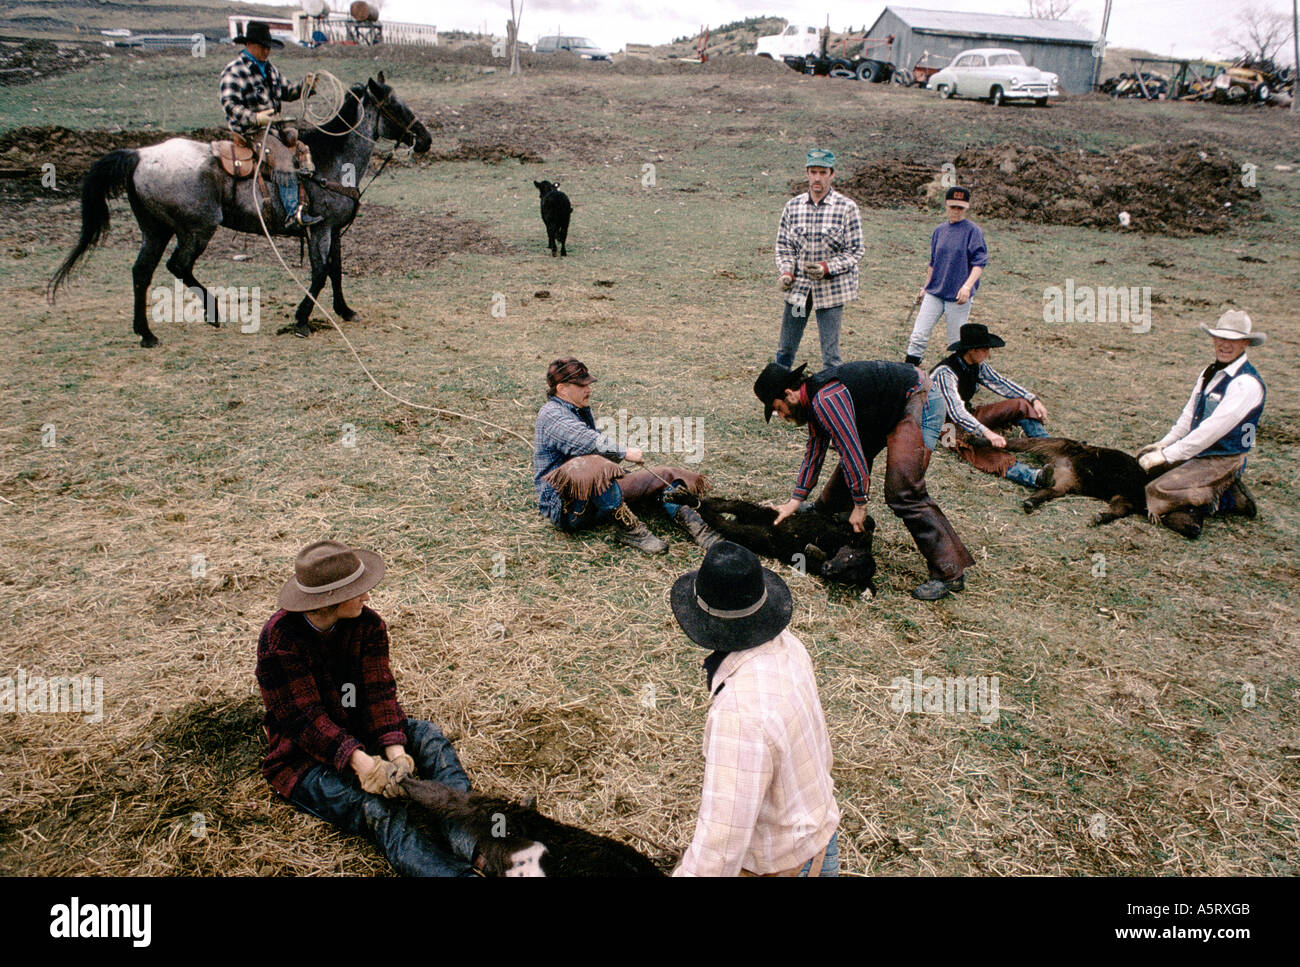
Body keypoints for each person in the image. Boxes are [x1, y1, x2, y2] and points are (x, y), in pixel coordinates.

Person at [256, 540, 501, 876]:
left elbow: (378, 692)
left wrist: (395, 752)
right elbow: (305, 721)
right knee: (378, 808)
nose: (367, 596)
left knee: (427, 736)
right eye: (358, 591)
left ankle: (475, 843)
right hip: (305, 760)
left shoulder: (368, 626)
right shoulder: (280, 639)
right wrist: (363, 765)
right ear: (328, 601)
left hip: (362, 733)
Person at [670, 541, 840, 877]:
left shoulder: (740, 713)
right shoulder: (788, 645)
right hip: (819, 840)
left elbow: (719, 849)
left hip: (784, 866)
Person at [755, 360, 975, 601]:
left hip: (920, 398)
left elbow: (851, 451)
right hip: (885, 409)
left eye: (778, 408)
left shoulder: (826, 399)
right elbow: (815, 451)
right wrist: (795, 501)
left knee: (903, 490)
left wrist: (861, 505)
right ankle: (826, 511)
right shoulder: (814, 401)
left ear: (789, 394)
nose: (782, 416)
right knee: (860, 452)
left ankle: (950, 572)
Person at [533, 357, 719, 555]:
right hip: (565, 509)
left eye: (588, 384)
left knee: (664, 476)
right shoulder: (551, 414)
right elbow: (587, 442)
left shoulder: (575, 409)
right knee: (594, 466)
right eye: (581, 385)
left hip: (591, 498)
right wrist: (625, 452)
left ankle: (699, 528)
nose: (588, 389)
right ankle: (630, 529)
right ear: (562, 389)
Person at [1138, 310, 1266, 539]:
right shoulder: (1210, 372)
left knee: (1156, 489)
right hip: (1197, 452)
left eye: (1233, 340)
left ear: (1245, 343)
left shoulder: (1246, 383)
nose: (1225, 344)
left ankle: (1224, 499)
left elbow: (1211, 431)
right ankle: (1207, 496)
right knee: (1142, 467)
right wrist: (1163, 444)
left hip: (1223, 458)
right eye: (1221, 337)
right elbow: (1189, 416)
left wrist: (1168, 455)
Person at [219, 20, 322, 229]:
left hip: (272, 129)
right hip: (251, 132)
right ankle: (293, 213)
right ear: (250, 44)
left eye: (269, 47)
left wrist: (305, 87)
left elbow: (288, 92)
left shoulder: (270, 70)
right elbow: (230, 105)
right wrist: (255, 118)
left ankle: (305, 201)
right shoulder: (234, 71)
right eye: (263, 46)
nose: (267, 51)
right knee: (283, 159)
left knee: (301, 148)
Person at [774, 148, 864, 370]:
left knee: (830, 354)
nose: (817, 178)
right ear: (806, 173)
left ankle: (830, 399)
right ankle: (779, 396)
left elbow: (855, 251)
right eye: (813, 172)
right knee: (786, 348)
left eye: (823, 172)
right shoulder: (793, 207)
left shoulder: (847, 208)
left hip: (831, 292)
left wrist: (827, 267)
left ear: (832, 174)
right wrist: (786, 272)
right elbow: (784, 246)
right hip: (799, 291)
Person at [931, 323, 1050, 488]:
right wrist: (987, 433)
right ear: (972, 350)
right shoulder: (945, 373)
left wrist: (1033, 399)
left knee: (1020, 404)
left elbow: (1000, 383)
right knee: (976, 446)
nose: (988, 354)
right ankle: (1033, 476)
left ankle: (1051, 449)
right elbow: (956, 412)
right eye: (985, 349)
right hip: (944, 427)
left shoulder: (976, 365)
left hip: (968, 415)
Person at [903, 186, 988, 365]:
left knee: (956, 342)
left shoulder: (973, 232)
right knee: (918, 335)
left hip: (957, 297)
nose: (956, 211)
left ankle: (960, 379)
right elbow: (933, 263)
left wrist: (967, 286)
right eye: (952, 207)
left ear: (966, 208)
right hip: (935, 293)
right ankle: (910, 373)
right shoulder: (939, 231)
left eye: (960, 208)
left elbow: (979, 263)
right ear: (946, 205)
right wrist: (925, 287)